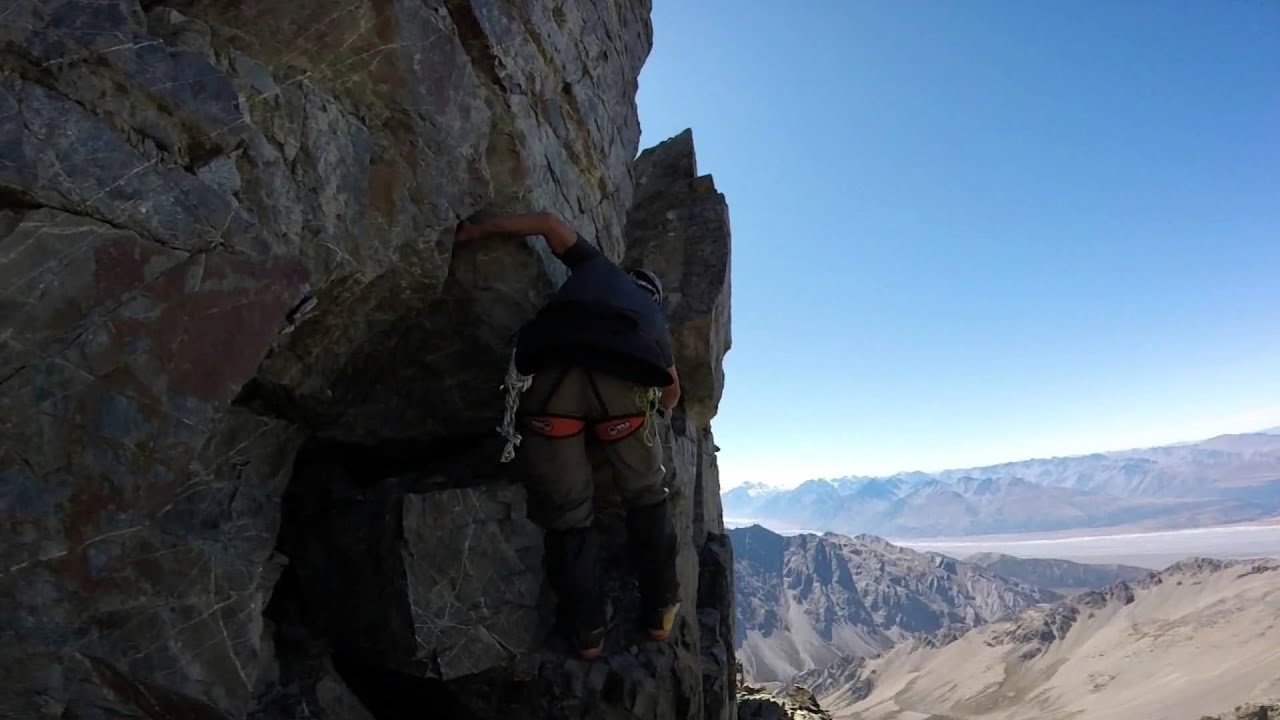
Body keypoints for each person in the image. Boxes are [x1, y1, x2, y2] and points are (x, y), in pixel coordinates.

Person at [454, 210, 682, 661]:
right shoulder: (651, 321)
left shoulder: (596, 267)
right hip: (622, 386)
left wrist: (476, 231)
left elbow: (548, 223)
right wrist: (627, 422)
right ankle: (659, 615)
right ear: (653, 297)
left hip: (547, 372)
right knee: (646, 495)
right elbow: (671, 394)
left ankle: (588, 633)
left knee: (569, 515)